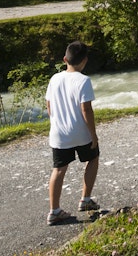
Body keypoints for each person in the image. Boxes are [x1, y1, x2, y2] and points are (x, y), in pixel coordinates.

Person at [45, 40, 100, 226]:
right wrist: (93, 135)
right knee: (93, 158)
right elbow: (86, 110)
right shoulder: (84, 80)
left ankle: (54, 211)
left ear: (64, 59)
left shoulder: (54, 79)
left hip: (59, 133)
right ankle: (85, 199)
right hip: (80, 132)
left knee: (59, 169)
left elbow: (49, 105)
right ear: (84, 61)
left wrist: (55, 121)